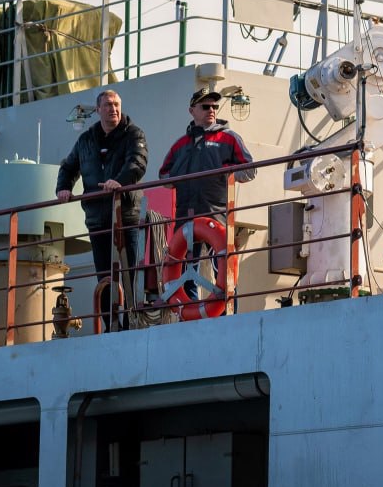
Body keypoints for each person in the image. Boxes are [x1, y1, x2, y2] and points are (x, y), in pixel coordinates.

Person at [56, 89, 147, 330]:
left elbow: (137, 162)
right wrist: (63, 188)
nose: (113, 109)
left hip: (125, 214)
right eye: (107, 105)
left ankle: (130, 321)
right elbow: (68, 167)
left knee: (128, 272)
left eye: (116, 104)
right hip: (97, 218)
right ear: (98, 110)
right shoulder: (86, 140)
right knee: (104, 275)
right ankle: (110, 324)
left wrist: (120, 181)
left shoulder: (133, 134)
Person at [157, 88, 255, 302]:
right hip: (185, 214)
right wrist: (182, 176)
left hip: (216, 212)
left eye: (214, 106)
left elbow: (249, 170)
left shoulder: (228, 138)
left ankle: (227, 312)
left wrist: (225, 170)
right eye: (205, 106)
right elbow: (163, 175)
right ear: (192, 110)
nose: (211, 110)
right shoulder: (180, 145)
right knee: (185, 268)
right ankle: (189, 312)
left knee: (222, 265)